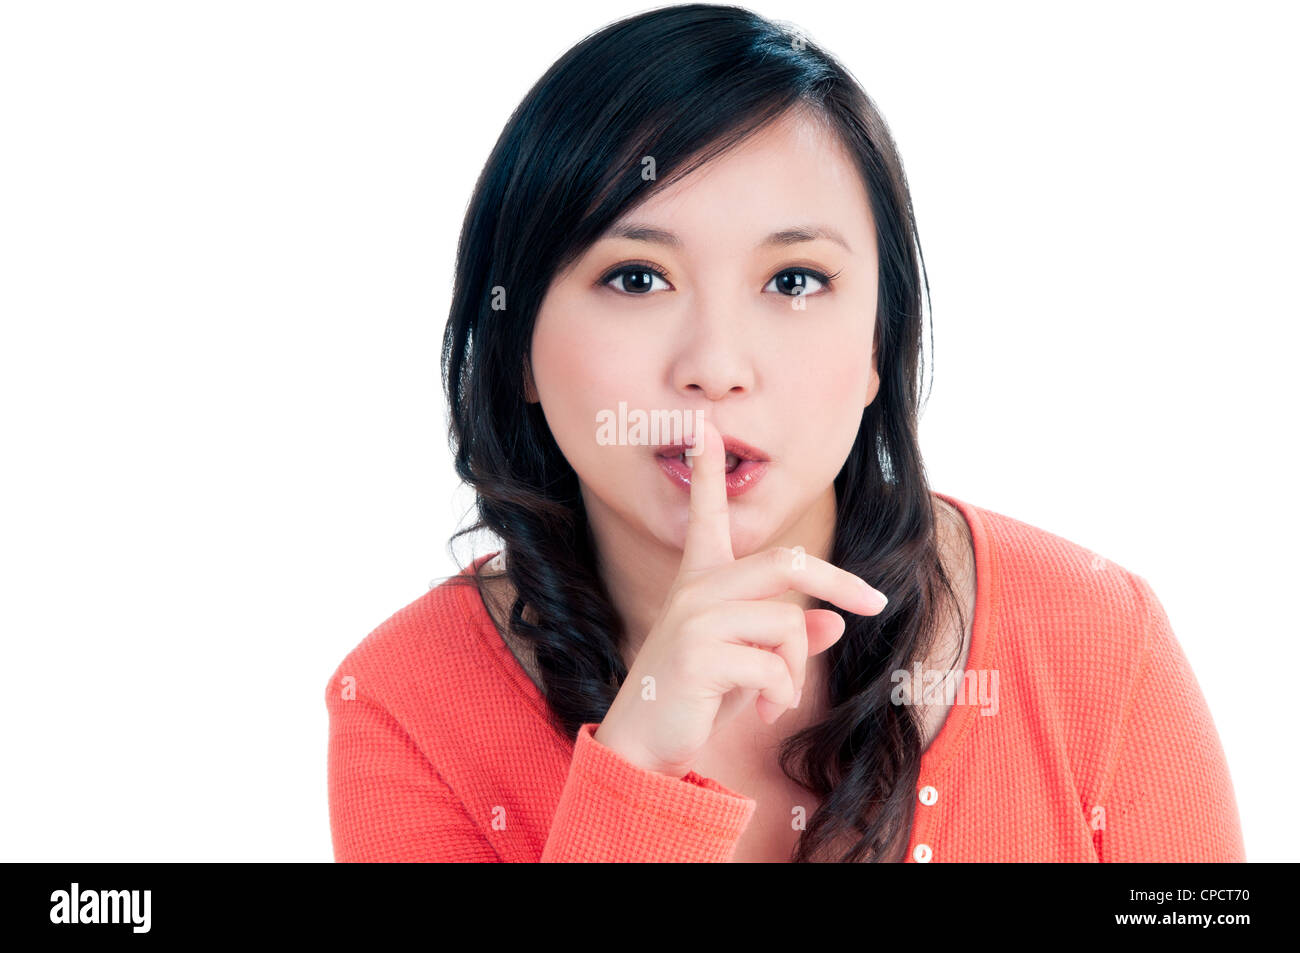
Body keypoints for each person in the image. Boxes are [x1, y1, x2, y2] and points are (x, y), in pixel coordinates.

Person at [324, 3, 1245, 862]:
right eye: (637, 278)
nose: (717, 364)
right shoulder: (405, 702)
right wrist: (635, 771)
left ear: (882, 344)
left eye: (795, 279)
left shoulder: (1096, 636)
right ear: (517, 344)